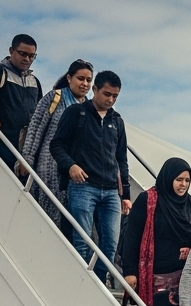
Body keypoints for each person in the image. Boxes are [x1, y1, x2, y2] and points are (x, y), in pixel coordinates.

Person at [50, 70, 131, 284]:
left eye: (115, 96)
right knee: (83, 240)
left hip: (111, 190)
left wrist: (126, 195)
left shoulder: (118, 121)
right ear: (94, 89)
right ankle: (81, 282)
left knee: (110, 243)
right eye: (106, 94)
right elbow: (56, 145)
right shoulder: (76, 113)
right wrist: (70, 166)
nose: (110, 100)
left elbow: (121, 159)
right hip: (83, 186)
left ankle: (98, 282)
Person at [122, 157, 191, 306]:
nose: (183, 184)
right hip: (155, 286)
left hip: (185, 287)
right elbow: (132, 236)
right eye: (179, 179)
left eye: (187, 180)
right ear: (168, 178)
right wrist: (130, 272)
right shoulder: (148, 200)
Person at [19, 60, 92, 228]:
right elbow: (36, 129)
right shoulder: (55, 98)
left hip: (77, 170)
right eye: (81, 78)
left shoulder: (89, 108)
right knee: (50, 212)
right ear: (69, 78)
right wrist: (26, 159)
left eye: (89, 80)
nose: (85, 84)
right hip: (50, 165)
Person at [0, 34, 40, 162]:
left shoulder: (35, 81)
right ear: (11, 51)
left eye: (32, 56)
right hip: (0, 143)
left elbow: (40, 113)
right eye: (23, 54)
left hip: (27, 149)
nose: (27, 59)